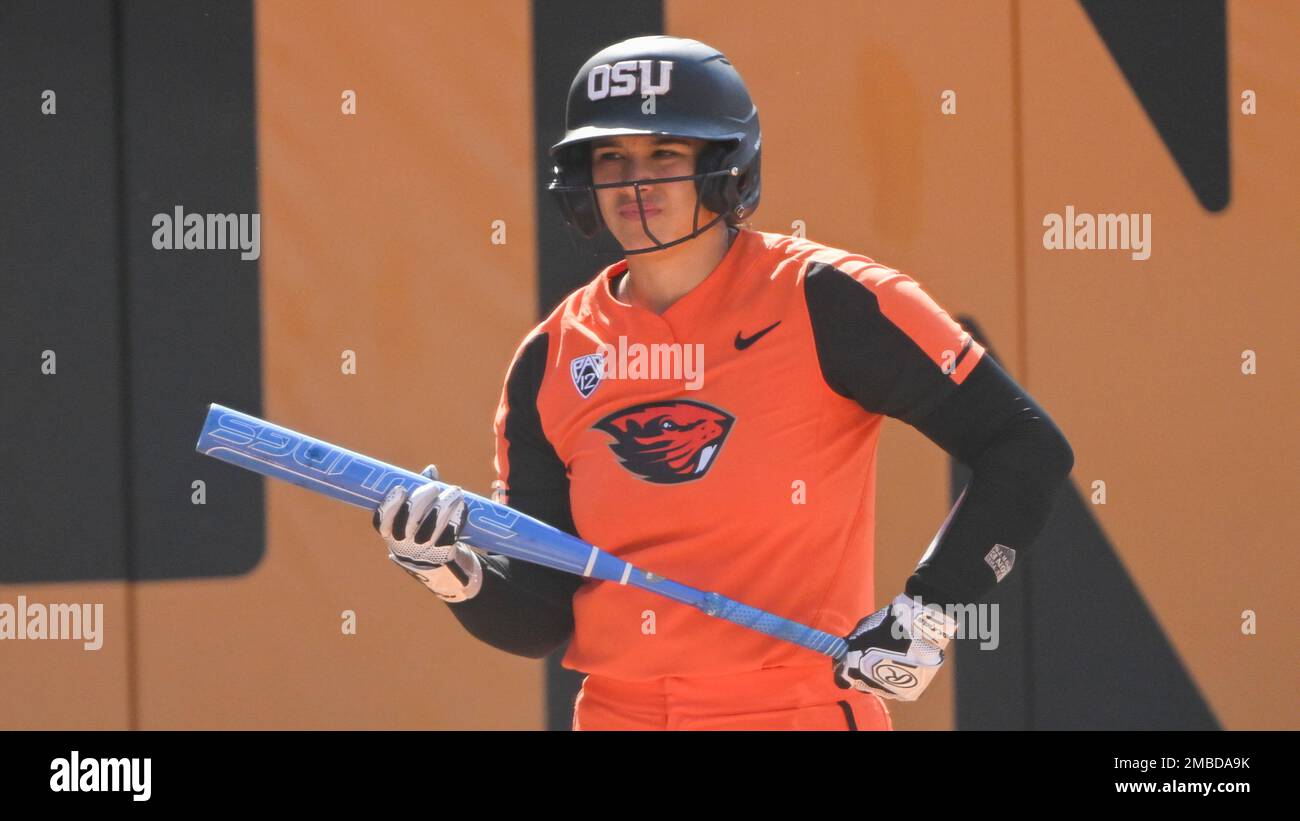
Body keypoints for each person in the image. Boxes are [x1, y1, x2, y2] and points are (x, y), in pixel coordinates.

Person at [372, 35, 1073, 730]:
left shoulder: (829, 300)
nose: (633, 182)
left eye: (665, 154)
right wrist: (449, 571)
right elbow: (540, 611)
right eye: (611, 156)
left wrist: (932, 605)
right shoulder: (549, 357)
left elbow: (1024, 445)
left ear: (726, 167)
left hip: (797, 711)